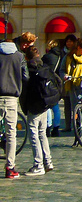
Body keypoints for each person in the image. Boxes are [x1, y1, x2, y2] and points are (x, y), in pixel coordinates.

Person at [20, 45, 55, 175]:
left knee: (33, 134)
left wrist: (24, 106)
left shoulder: (29, 69)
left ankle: (38, 165)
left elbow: (25, 89)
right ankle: (48, 161)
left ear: (26, 57)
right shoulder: (43, 66)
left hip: (34, 105)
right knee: (42, 133)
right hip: (45, 104)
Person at [0, 37, 26, 179]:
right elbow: (26, 76)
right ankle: (10, 167)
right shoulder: (19, 56)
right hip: (11, 97)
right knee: (11, 133)